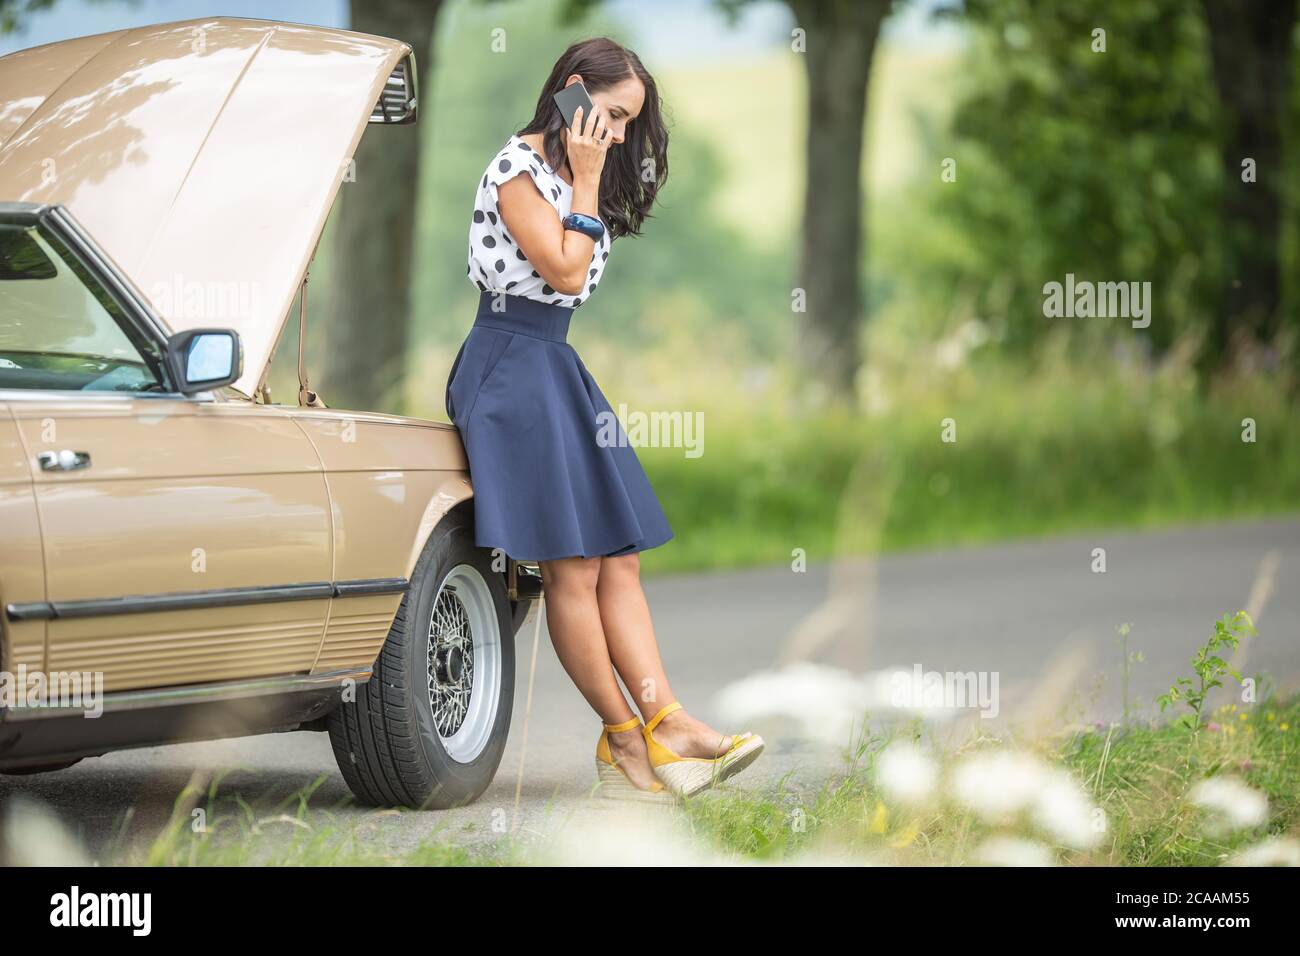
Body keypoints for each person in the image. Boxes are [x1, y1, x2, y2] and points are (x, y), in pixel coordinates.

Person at [445, 37, 764, 801]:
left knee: (619, 555)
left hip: (554, 365)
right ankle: (623, 740)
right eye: (613, 116)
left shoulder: (568, 171)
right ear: (574, 92)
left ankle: (668, 720)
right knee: (573, 566)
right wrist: (587, 178)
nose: (619, 135)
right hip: (507, 366)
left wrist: (587, 174)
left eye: (629, 124)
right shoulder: (516, 168)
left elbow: (570, 283)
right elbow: (562, 268)